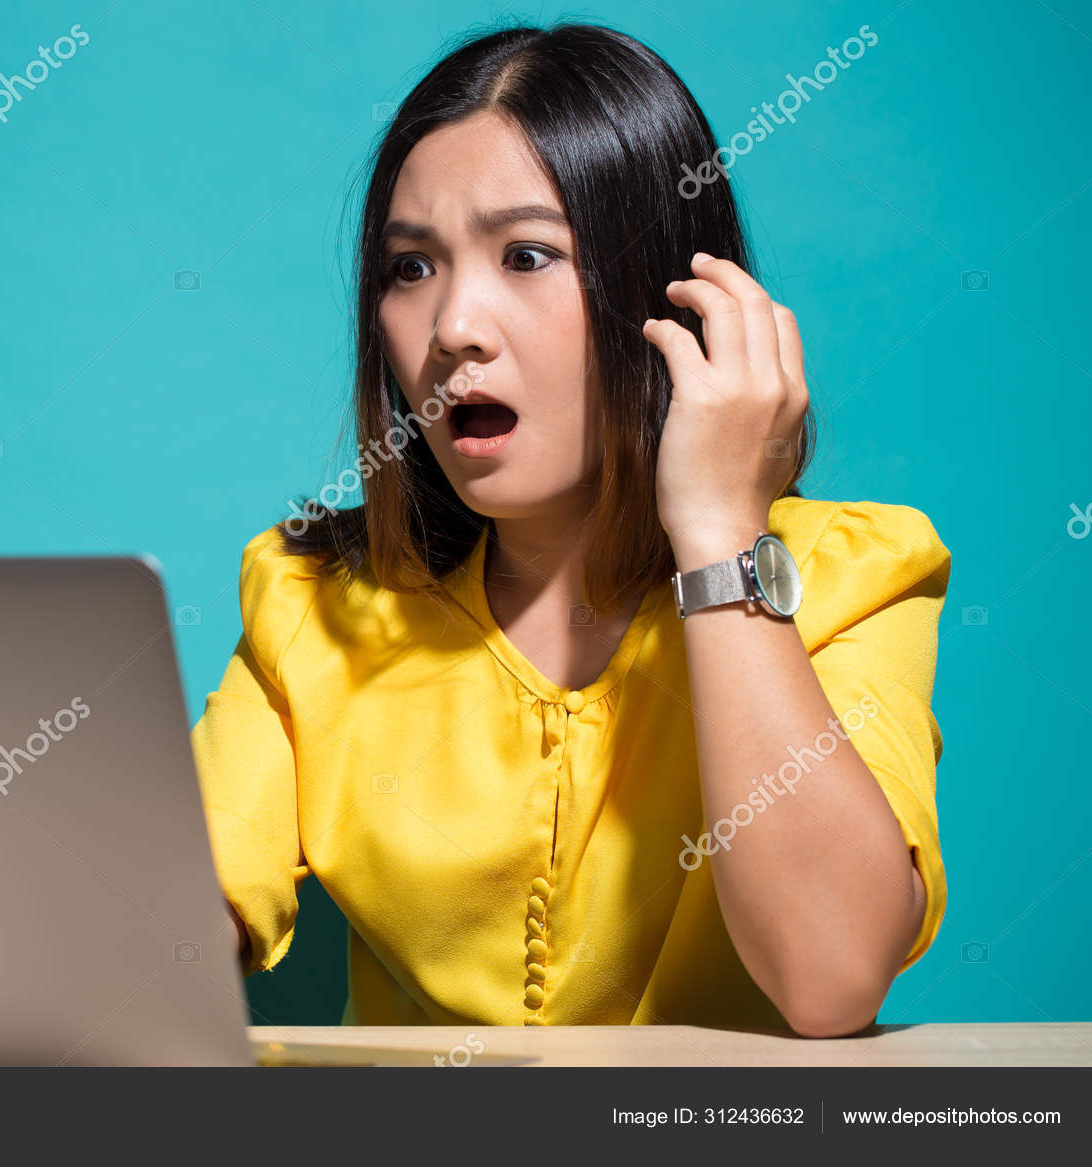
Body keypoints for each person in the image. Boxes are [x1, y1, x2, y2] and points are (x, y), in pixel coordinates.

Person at [191, 21, 949, 1037]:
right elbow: (159, 929)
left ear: (678, 299)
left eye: (527, 255)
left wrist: (720, 533)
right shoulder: (312, 604)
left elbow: (831, 977)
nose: (454, 324)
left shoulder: (850, 574)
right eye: (409, 268)